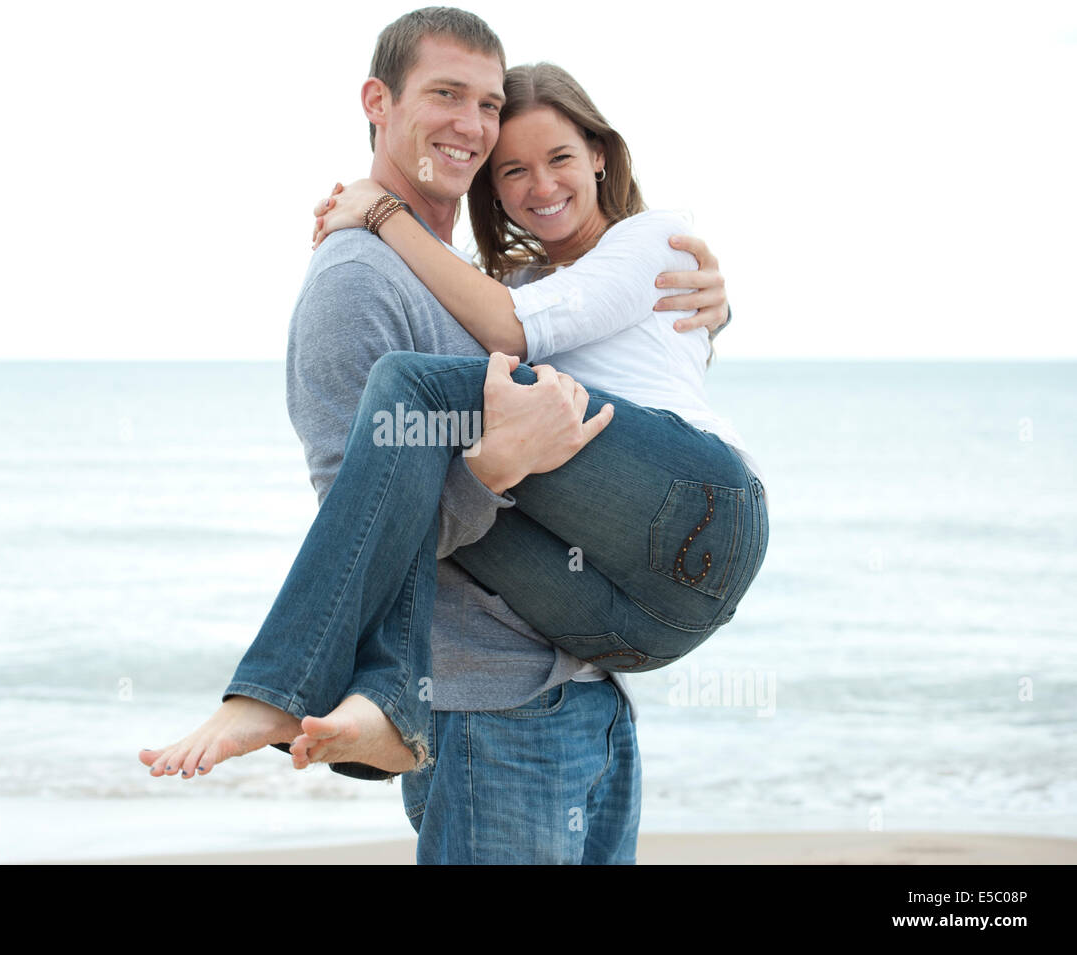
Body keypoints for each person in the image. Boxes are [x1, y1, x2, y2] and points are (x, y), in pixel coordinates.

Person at [139, 7, 736, 864]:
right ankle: (307, 692)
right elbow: (358, 523)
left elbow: (627, 357)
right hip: (489, 721)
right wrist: (488, 472)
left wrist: (717, 306)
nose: (472, 125)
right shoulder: (357, 282)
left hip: (584, 696)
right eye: (446, 93)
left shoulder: (482, 286)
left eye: (488, 105)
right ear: (378, 101)